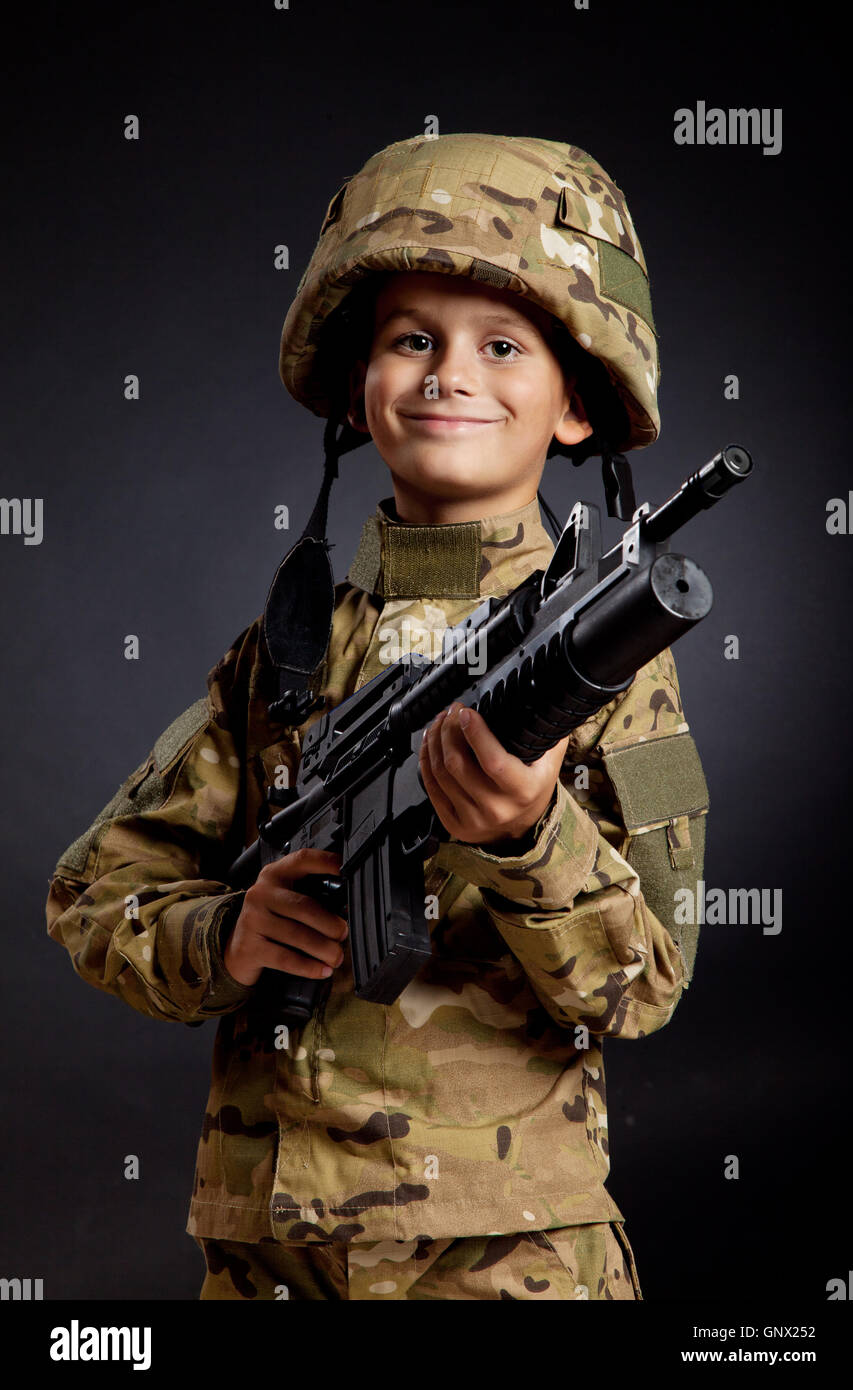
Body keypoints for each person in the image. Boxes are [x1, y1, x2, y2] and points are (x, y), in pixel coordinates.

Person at [46, 132, 710, 1301]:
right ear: (362, 384)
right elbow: (92, 890)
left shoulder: (618, 661)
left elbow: (646, 980)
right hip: (270, 1244)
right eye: (412, 339)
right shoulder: (281, 656)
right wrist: (231, 938)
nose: (449, 373)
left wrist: (527, 835)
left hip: (500, 1248)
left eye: (501, 345)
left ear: (575, 404)